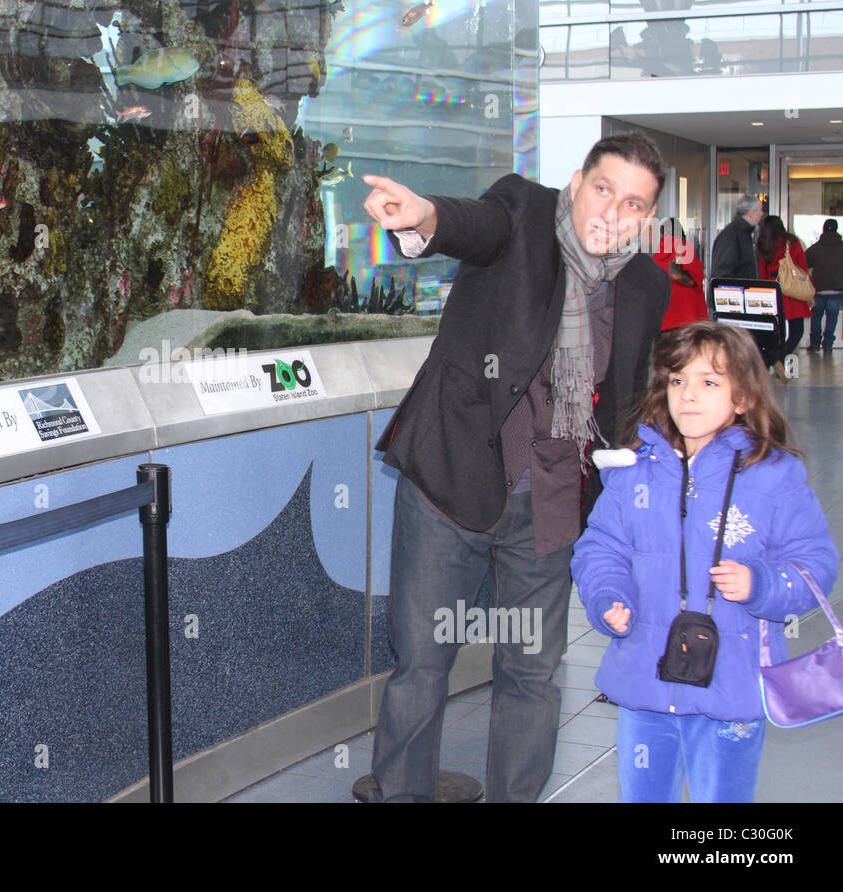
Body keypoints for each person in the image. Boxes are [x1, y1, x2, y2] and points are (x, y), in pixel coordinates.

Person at [357, 132, 671, 802]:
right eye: (605, 189)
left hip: (551, 505)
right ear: (580, 180)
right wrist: (425, 218)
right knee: (422, 664)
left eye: (634, 204)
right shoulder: (526, 216)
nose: (612, 212)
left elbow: (624, 401)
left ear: (648, 217)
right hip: (450, 480)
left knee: (533, 673)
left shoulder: (645, 285)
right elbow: (476, 225)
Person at [571, 323, 836, 802]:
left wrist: (762, 583)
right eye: (677, 381)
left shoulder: (774, 476)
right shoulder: (635, 473)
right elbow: (599, 548)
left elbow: (815, 564)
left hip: (731, 691)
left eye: (708, 382)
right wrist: (607, 596)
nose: (688, 395)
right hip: (645, 685)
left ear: (744, 398)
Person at [756, 215, 811, 380]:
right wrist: (809, 291)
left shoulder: (764, 244)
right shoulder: (792, 242)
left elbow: (761, 272)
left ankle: (772, 359)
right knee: (797, 331)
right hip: (793, 292)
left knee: (776, 333)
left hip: (772, 292)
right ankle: (776, 359)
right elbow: (803, 266)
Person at [652, 217, 708, 330]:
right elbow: (693, 281)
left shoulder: (657, 255)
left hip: (664, 320)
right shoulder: (683, 248)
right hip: (688, 319)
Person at [806, 218, 843, 351]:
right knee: (832, 318)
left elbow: (805, 262)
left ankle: (815, 343)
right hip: (837, 289)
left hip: (818, 289)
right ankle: (828, 344)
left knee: (816, 317)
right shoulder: (841, 246)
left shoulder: (817, 247)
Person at [709, 195, 763, 282]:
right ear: (751, 213)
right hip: (735, 293)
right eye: (760, 210)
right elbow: (722, 272)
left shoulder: (745, 234)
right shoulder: (731, 235)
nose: (761, 214)